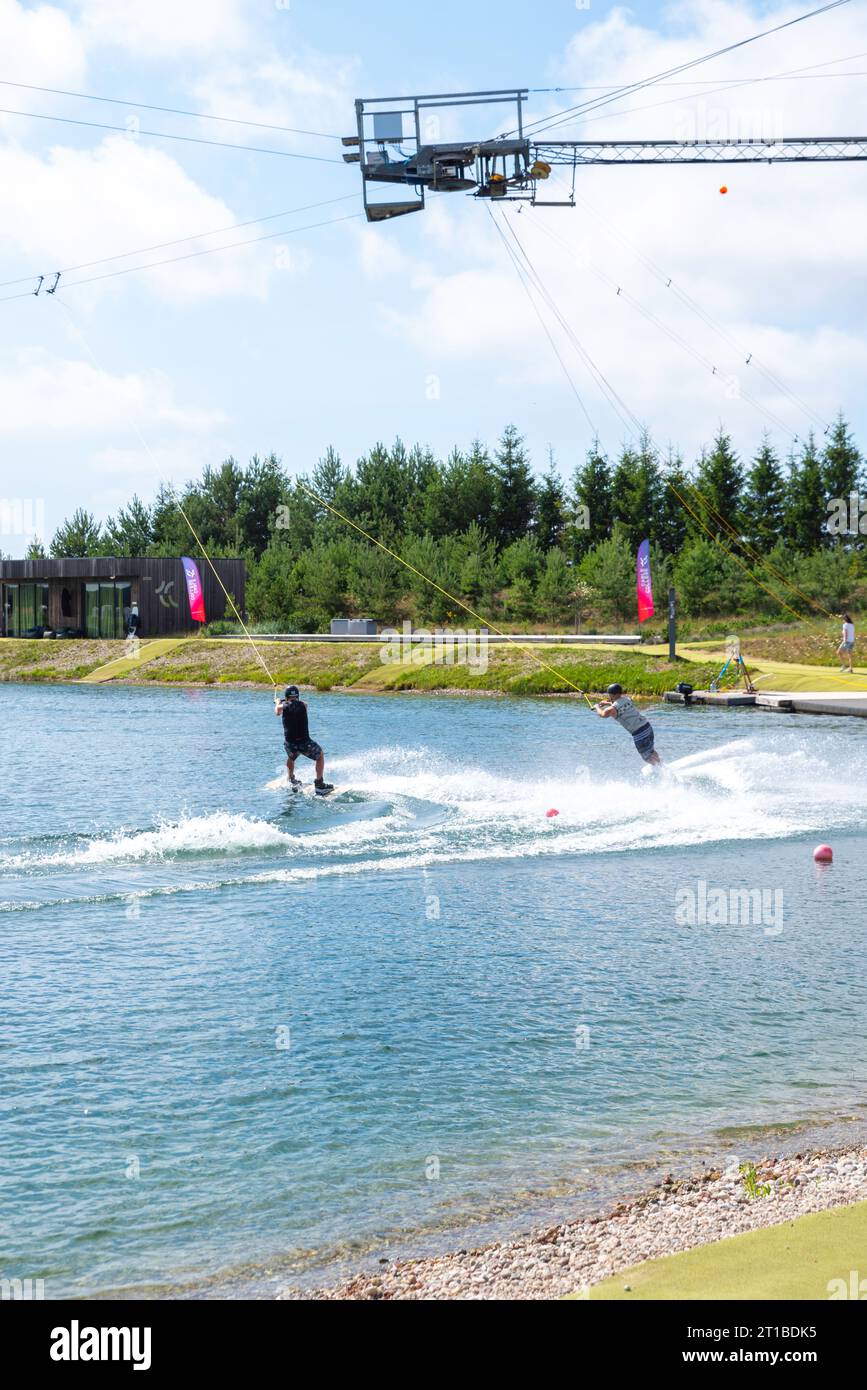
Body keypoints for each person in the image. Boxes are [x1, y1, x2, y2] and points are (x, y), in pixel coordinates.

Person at [274, 685, 333, 794]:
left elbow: (277, 712)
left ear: (286, 697)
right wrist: (286, 702)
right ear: (298, 696)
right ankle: (319, 784)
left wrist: (278, 702)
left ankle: (291, 779)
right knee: (320, 755)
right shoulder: (303, 705)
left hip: (290, 744)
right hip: (304, 743)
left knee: (291, 758)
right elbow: (298, 704)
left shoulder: (283, 706)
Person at [594, 683, 662, 766]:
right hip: (647, 727)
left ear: (611, 694)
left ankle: (661, 771)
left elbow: (603, 714)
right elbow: (619, 704)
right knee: (651, 751)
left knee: (647, 757)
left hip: (639, 733)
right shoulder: (627, 699)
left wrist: (597, 707)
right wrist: (606, 703)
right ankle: (661, 765)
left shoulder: (612, 709)